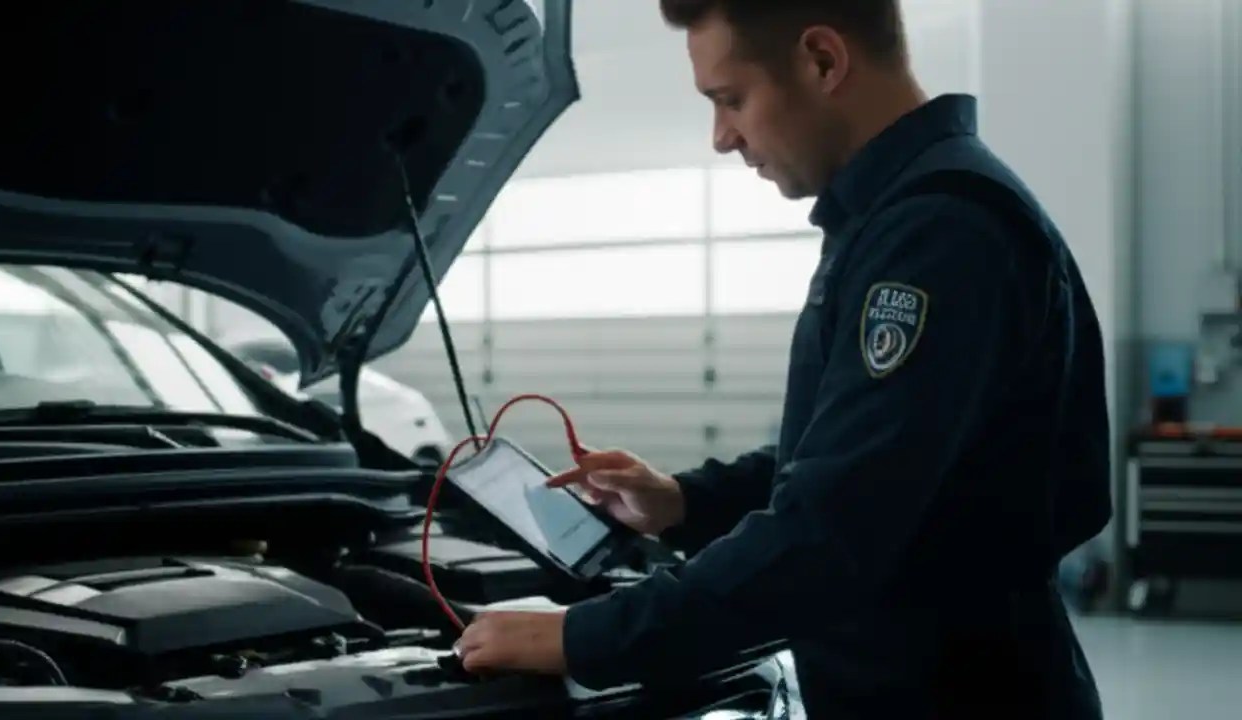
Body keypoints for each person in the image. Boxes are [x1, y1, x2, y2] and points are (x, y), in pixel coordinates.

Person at [455, 0, 1113, 716]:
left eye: (730, 99)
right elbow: (855, 459)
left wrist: (584, 637)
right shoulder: (895, 217)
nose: (721, 136)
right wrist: (684, 501)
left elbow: (830, 533)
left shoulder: (940, 234)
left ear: (824, 60)